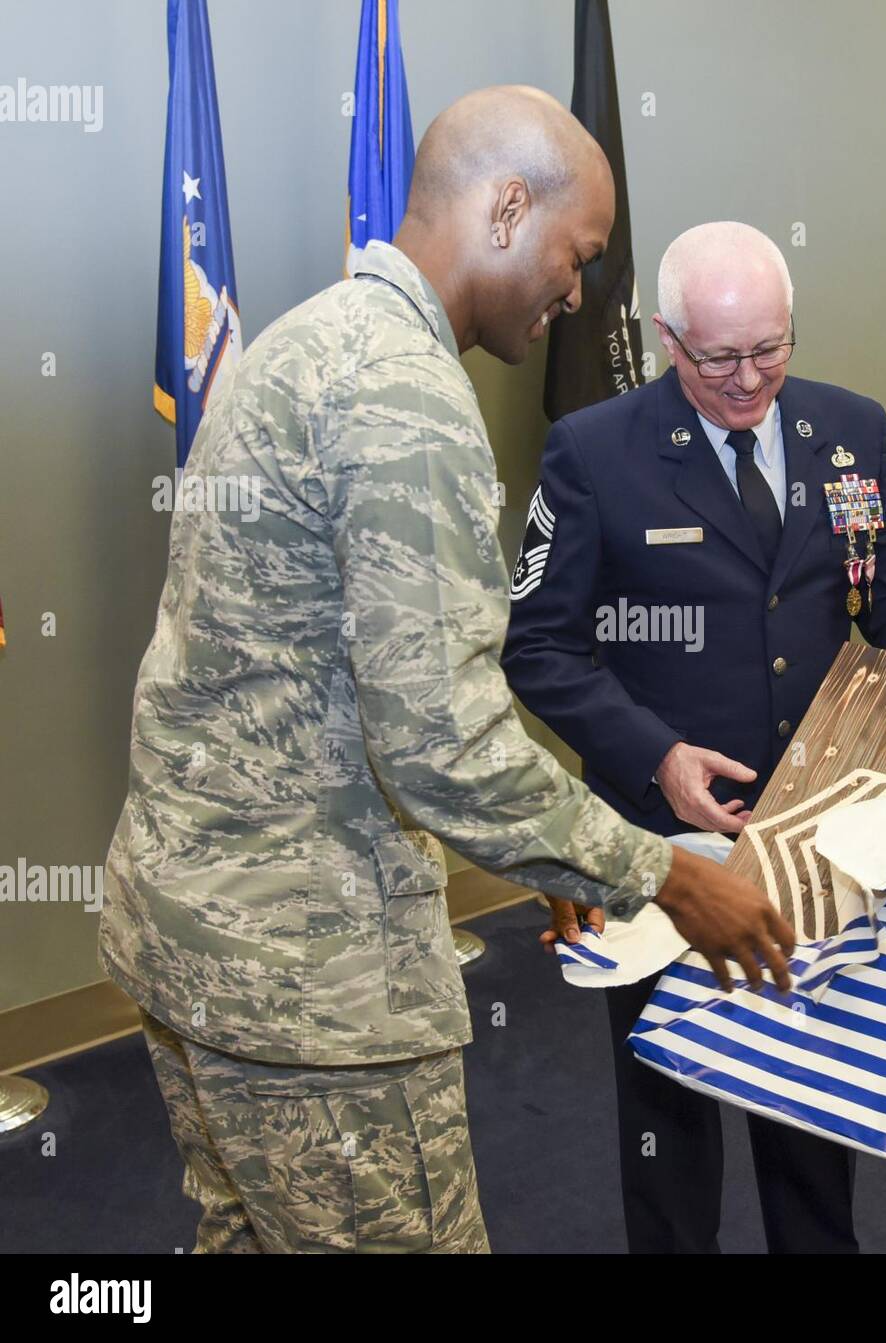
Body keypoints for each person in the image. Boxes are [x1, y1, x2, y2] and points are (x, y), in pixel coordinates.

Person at [100, 94, 792, 1255]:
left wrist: (545, 849)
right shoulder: (405, 395)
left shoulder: (301, 342)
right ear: (507, 207)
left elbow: (322, 675)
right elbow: (444, 744)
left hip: (190, 935)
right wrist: (665, 875)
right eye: (577, 257)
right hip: (313, 988)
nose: (577, 294)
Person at [503, 220, 886, 1253]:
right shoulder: (593, 450)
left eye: (770, 349)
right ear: (667, 337)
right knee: (671, 1098)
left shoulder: (851, 428)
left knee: (809, 1082)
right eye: (718, 358)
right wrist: (655, 752)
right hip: (666, 842)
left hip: (815, 828)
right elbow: (539, 648)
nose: (750, 380)